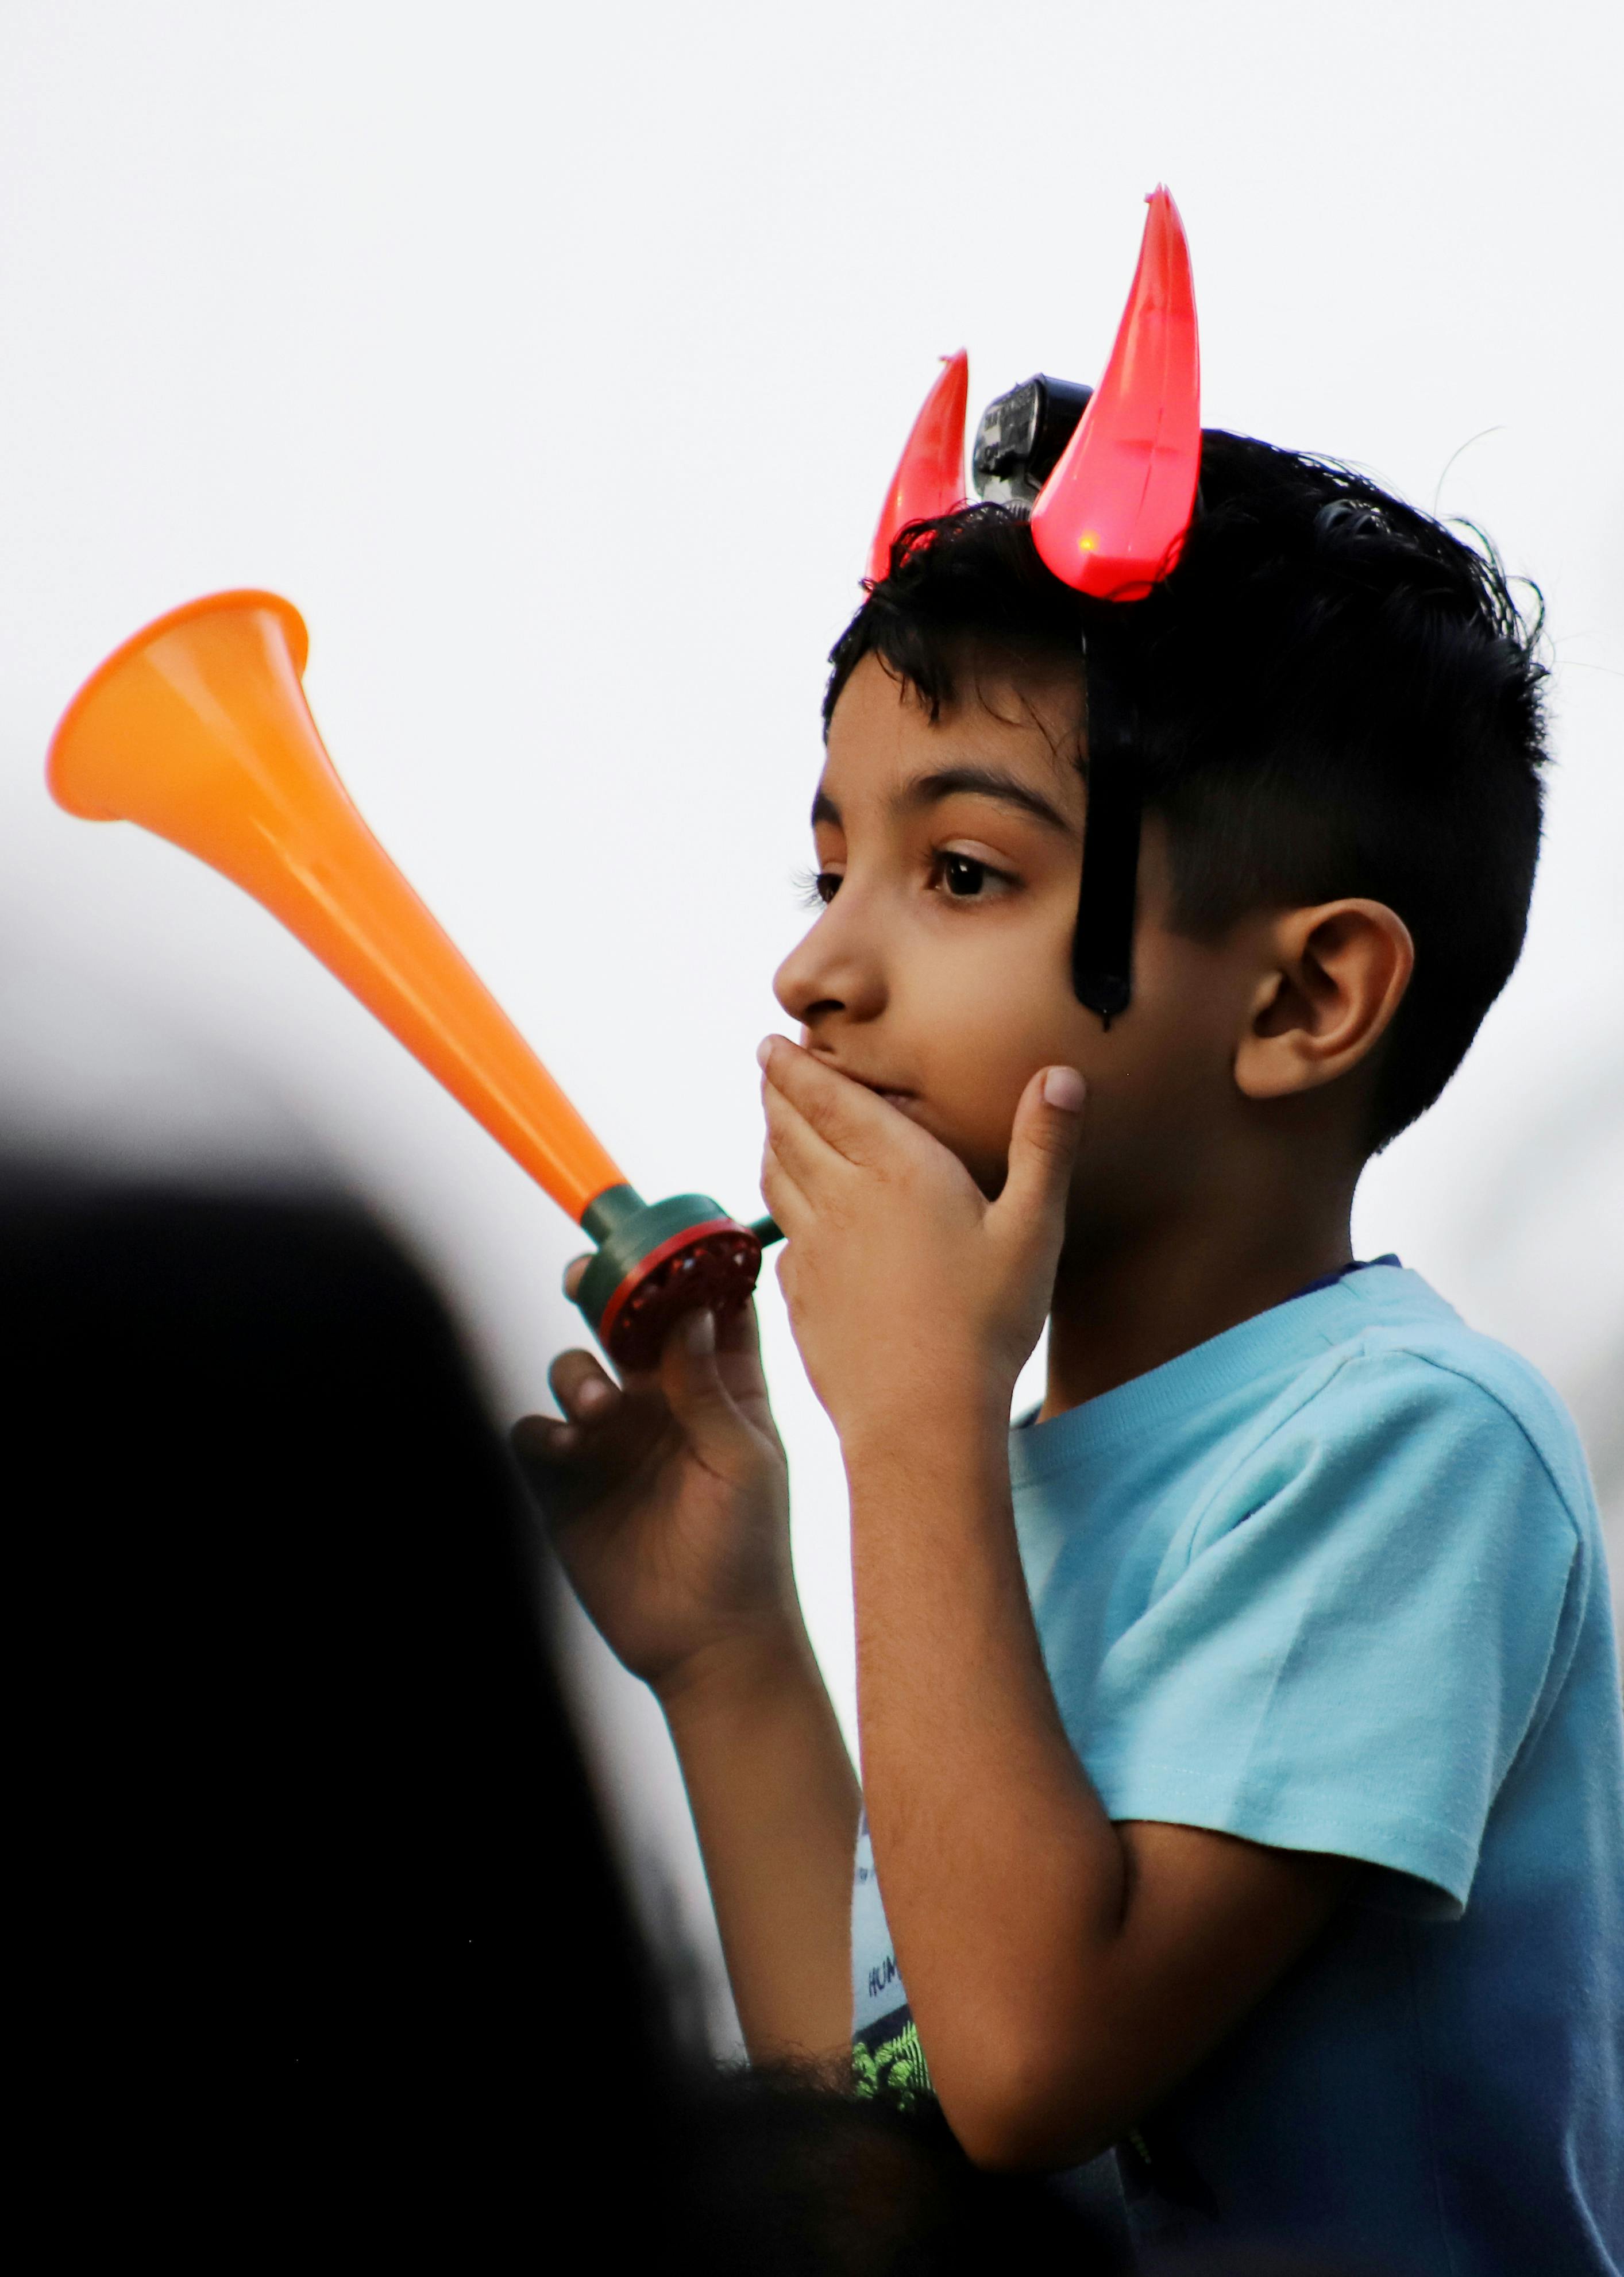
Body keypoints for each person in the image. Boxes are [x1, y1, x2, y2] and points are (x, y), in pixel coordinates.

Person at [514, 432, 1624, 2274]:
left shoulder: (1413, 1439)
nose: (815, 974)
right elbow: (888, 2128)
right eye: (827, 872)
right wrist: (727, 1655)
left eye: (957, 871)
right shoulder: (998, 1470)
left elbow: (1029, 2068)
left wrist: (911, 1420)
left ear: (1299, 998)